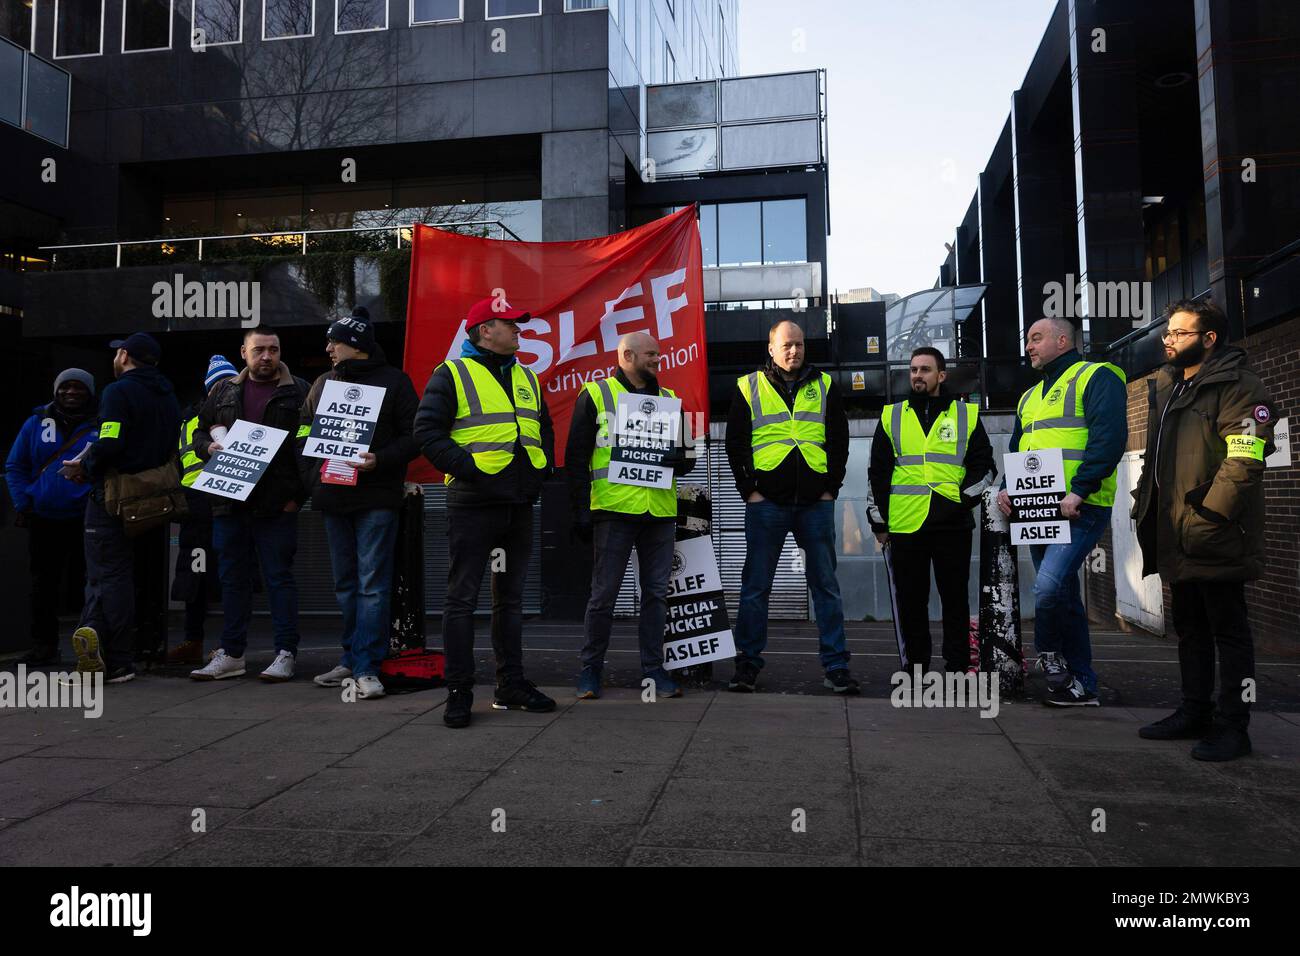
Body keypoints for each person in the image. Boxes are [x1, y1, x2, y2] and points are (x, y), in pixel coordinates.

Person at [1132, 300, 1276, 761]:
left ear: (1208, 338)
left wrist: (1210, 515)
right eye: (1168, 333)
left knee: (1229, 630)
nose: (1167, 339)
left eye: (1179, 332)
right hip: (1175, 529)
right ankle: (1194, 711)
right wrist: (1143, 502)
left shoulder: (1239, 387)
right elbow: (1156, 459)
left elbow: (1246, 457)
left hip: (1215, 531)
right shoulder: (1169, 386)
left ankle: (1235, 726)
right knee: (1189, 626)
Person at [414, 296, 556, 728]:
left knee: (509, 601)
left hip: (517, 504)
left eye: (518, 323)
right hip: (473, 503)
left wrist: (539, 473)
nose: (518, 330)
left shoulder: (528, 376)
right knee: (461, 600)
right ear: (483, 332)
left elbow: (543, 429)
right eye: (509, 324)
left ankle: (510, 686)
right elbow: (427, 433)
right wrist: (470, 470)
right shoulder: (452, 373)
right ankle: (458, 693)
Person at [997, 317, 1127, 706]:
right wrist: (1006, 486)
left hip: (1079, 507)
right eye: (1027, 340)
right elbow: (1020, 449)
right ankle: (1082, 685)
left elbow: (1109, 438)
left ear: (1063, 339)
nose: (1029, 346)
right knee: (1066, 597)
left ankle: (1049, 653)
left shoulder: (1097, 376)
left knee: (1049, 587)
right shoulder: (1029, 396)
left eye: (1036, 338)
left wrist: (1081, 490)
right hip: (1036, 509)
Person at [725, 319, 856, 694]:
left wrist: (832, 487)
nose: (794, 351)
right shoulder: (747, 386)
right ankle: (747, 666)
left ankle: (836, 668)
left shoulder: (826, 384)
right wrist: (748, 490)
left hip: (816, 502)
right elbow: (736, 443)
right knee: (755, 588)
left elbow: (839, 439)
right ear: (771, 348)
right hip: (767, 503)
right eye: (786, 345)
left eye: (798, 344)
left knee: (825, 587)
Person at [567, 331, 697, 700]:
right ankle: (590, 671)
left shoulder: (671, 400)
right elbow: (575, 458)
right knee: (603, 596)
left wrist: (680, 459)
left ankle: (654, 672)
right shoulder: (595, 394)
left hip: (659, 511)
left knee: (656, 594)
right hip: (613, 511)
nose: (658, 360)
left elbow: (690, 453)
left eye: (659, 354)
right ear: (627, 355)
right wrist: (579, 511)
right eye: (651, 354)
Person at [300, 307, 420, 700]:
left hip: (375, 499)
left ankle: (368, 666)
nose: (329, 347)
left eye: (335, 341)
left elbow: (415, 436)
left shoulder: (396, 383)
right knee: (345, 585)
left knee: (371, 585)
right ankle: (351, 659)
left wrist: (379, 460)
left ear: (356, 346)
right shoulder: (321, 383)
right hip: (333, 497)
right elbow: (303, 433)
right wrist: (311, 475)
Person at [189, 328, 310, 683]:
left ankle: (285, 653)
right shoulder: (225, 391)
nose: (267, 357)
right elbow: (200, 429)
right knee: (232, 580)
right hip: (229, 502)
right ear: (244, 352)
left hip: (277, 505)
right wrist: (206, 448)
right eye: (259, 350)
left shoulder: (299, 390)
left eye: (273, 349)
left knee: (278, 579)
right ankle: (232, 653)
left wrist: (296, 499)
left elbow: (309, 449)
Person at [60, 333, 181, 684]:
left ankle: (113, 658)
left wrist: (86, 466)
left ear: (124, 355)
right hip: (155, 499)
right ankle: (116, 649)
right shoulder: (167, 393)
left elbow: (110, 441)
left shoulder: (118, 392)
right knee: (130, 575)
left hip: (114, 497)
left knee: (104, 575)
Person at [868, 347, 996, 672]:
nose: (917, 375)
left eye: (925, 370)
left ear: (941, 375)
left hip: (952, 524)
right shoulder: (891, 415)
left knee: (954, 600)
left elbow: (985, 467)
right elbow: (877, 473)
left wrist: (960, 500)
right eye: (913, 370)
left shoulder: (965, 414)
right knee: (912, 602)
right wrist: (879, 523)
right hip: (905, 523)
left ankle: (955, 667)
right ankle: (917, 669)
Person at [5, 369, 98, 665]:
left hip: (87, 517)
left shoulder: (101, 424)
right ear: (55, 390)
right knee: (43, 586)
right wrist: (24, 502)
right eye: (66, 387)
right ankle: (44, 645)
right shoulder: (35, 422)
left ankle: (92, 646)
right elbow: (15, 465)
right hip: (43, 517)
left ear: (90, 392)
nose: (72, 392)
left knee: (91, 583)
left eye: (79, 388)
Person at [168, 355, 238, 666]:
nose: (224, 390)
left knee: (231, 574)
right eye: (218, 385)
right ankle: (193, 640)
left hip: (226, 504)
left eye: (230, 384)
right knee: (196, 576)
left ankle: (228, 645)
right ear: (209, 390)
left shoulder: (238, 418)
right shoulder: (191, 421)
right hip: (197, 507)